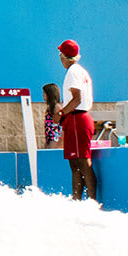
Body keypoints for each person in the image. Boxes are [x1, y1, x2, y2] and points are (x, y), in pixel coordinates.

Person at [55, 40, 98, 200]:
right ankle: (77, 199)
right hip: (78, 118)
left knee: (82, 163)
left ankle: (92, 201)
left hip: (77, 118)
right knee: (75, 165)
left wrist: (61, 113)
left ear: (63, 56)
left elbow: (76, 99)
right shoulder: (80, 71)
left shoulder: (73, 72)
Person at [40, 83, 63, 148]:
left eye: (44, 93)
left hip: (55, 137)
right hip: (49, 136)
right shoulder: (50, 108)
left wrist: (60, 142)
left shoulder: (56, 107)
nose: (42, 95)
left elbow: (62, 124)